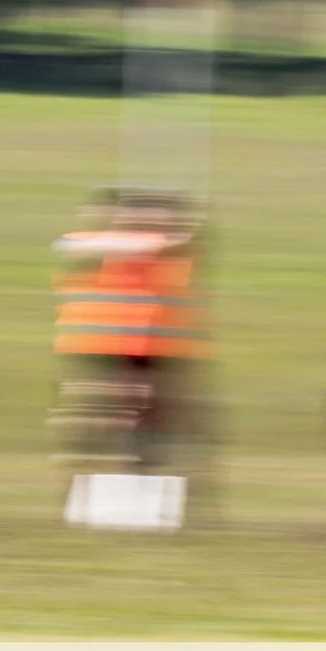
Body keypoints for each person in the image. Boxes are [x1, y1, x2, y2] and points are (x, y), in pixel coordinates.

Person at [51, 188, 209, 471]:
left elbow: (174, 246)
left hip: (153, 348)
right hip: (97, 347)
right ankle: (95, 465)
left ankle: (143, 468)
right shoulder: (89, 242)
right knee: (99, 415)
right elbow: (68, 246)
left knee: (152, 417)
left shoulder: (172, 244)